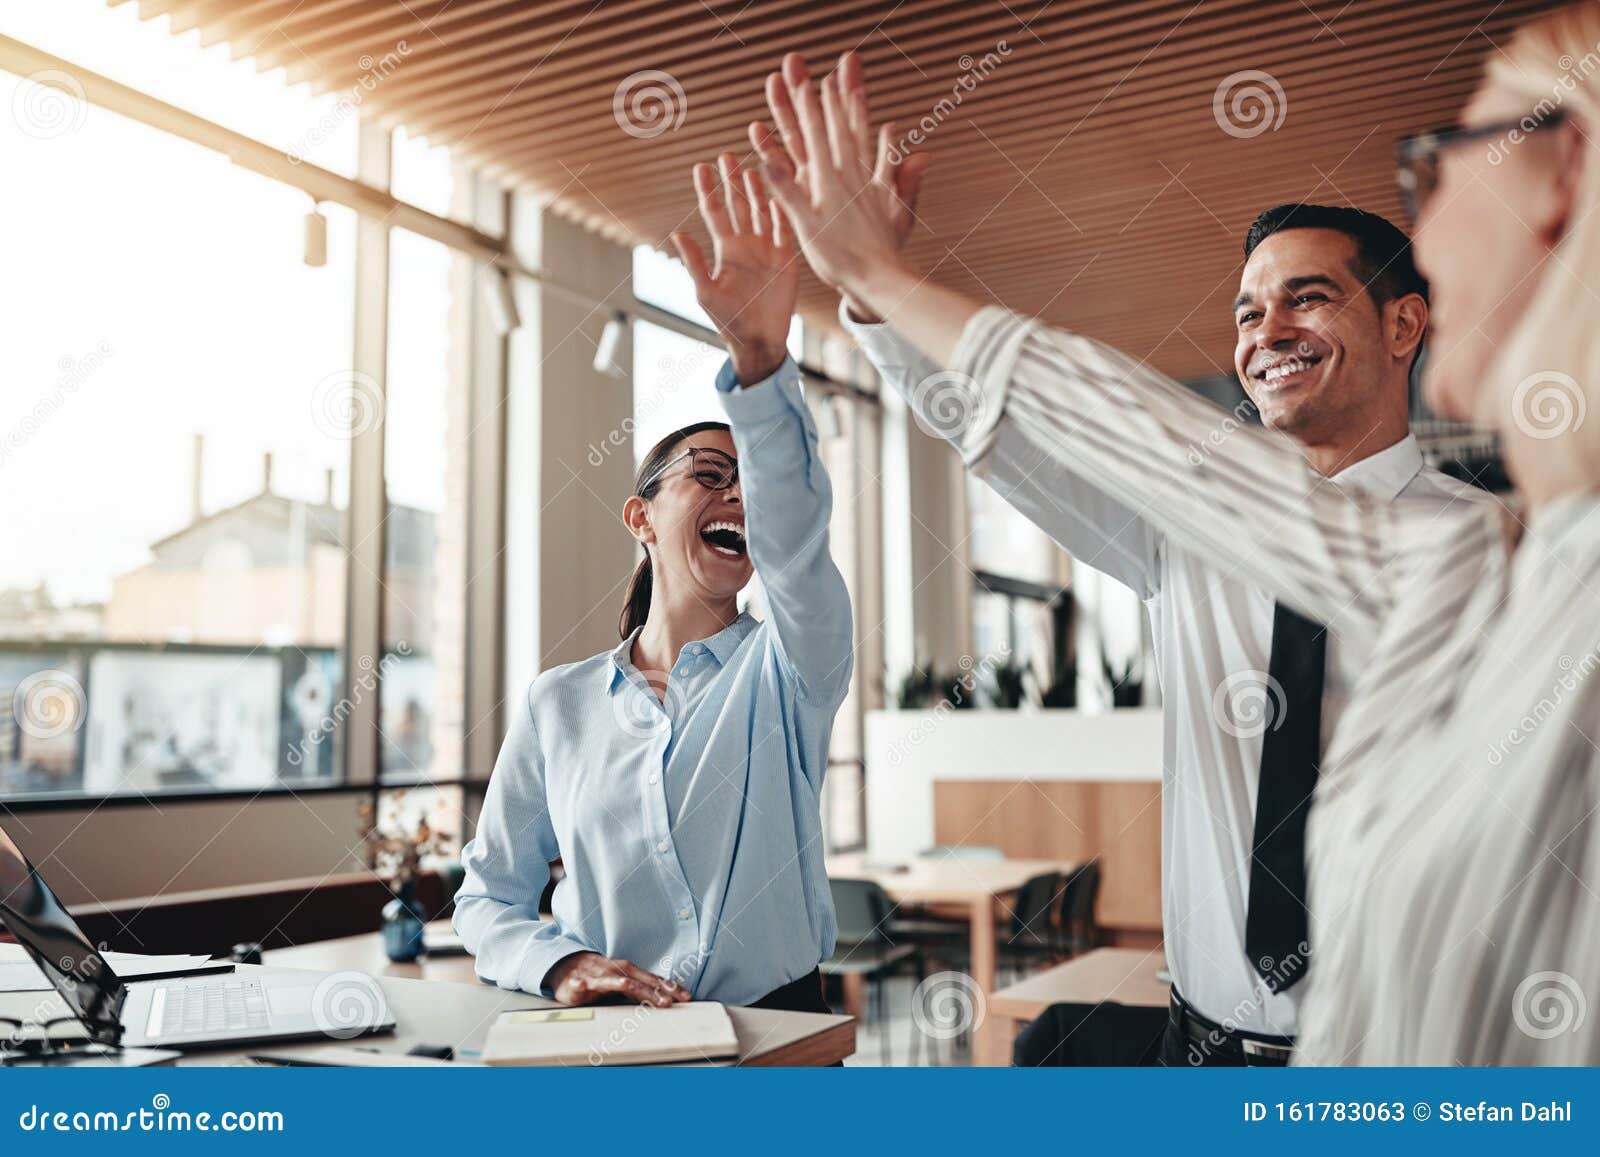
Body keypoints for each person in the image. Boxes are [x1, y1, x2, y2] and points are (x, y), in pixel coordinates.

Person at [747, 26, 1600, 1065]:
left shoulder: (1495, 558)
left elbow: (1157, 444)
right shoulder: (1463, 565)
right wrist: (876, 297)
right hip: (1205, 1043)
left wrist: (886, 276)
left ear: (1563, 171)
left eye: (1436, 162)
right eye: (1245, 311)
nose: (1263, 331)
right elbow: (1088, 443)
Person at [453, 155, 853, 1019]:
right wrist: (559, 965)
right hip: (611, 1047)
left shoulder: (791, 669)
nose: (738, 495)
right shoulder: (558, 706)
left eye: (752, 482)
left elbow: (799, 547)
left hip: (782, 1043)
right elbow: (486, 897)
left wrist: (758, 360)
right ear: (640, 517)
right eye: (711, 476)